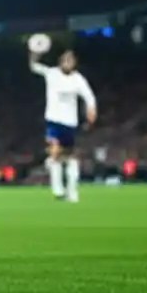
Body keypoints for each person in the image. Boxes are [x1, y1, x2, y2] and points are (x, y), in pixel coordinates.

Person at [29, 47, 97, 202]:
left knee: (70, 157)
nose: (68, 63)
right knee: (55, 151)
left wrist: (91, 109)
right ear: (60, 62)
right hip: (53, 120)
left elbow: (89, 95)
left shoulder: (78, 79)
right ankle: (58, 189)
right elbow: (34, 66)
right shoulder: (52, 73)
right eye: (65, 60)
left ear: (74, 63)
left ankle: (72, 191)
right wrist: (34, 54)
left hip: (70, 122)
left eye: (71, 60)